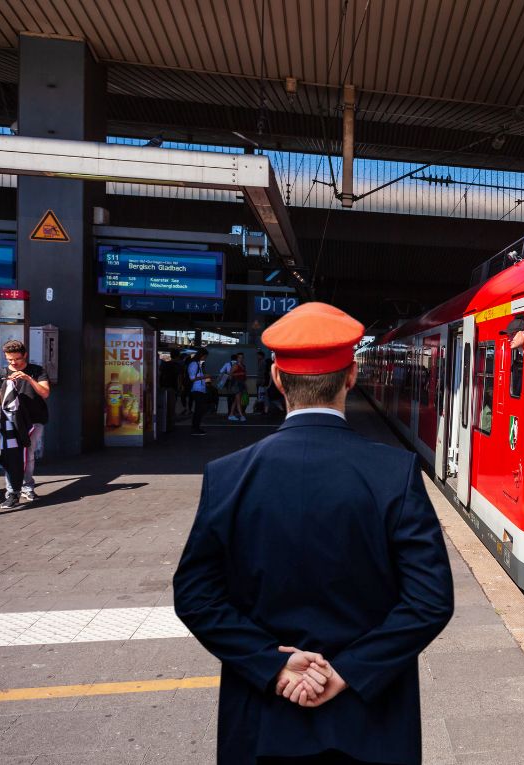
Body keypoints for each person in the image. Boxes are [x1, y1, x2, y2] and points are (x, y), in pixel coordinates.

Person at [173, 302, 454, 765]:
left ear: (278, 379)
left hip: (262, 720)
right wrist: (347, 671)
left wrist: (272, 663)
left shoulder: (228, 475)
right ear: (351, 376)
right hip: (372, 722)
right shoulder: (395, 473)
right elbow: (429, 601)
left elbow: (196, 595)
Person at [0, 340, 50, 508]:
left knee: (28, 454)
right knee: (12, 455)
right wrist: (5, 388)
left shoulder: (37, 371)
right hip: (10, 421)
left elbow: (45, 393)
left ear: (25, 355)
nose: (13, 363)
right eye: (9, 359)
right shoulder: (0, 374)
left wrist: (28, 379)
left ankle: (27, 486)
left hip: (34, 419)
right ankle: (12, 491)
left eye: (17, 359)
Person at [186, 348, 211, 436]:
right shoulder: (194, 364)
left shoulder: (197, 364)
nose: (205, 358)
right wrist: (204, 377)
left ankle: (196, 427)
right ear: (202, 355)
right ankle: (195, 428)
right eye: (205, 356)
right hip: (197, 389)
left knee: (200, 409)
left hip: (200, 389)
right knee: (199, 409)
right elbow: (192, 378)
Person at [159, 350, 182, 433]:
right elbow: (179, 378)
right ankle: (170, 426)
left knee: (164, 407)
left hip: (163, 387)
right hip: (172, 388)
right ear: (178, 356)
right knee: (171, 408)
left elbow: (160, 375)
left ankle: (163, 424)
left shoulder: (164, 364)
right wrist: (179, 388)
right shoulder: (177, 365)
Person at [220, 352, 247, 422]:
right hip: (236, 384)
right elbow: (229, 375)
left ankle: (231, 415)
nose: (240, 359)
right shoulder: (235, 365)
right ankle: (241, 415)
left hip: (241, 384)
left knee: (236, 400)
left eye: (242, 357)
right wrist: (239, 373)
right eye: (239, 357)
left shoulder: (243, 365)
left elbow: (243, 376)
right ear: (237, 358)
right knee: (238, 401)